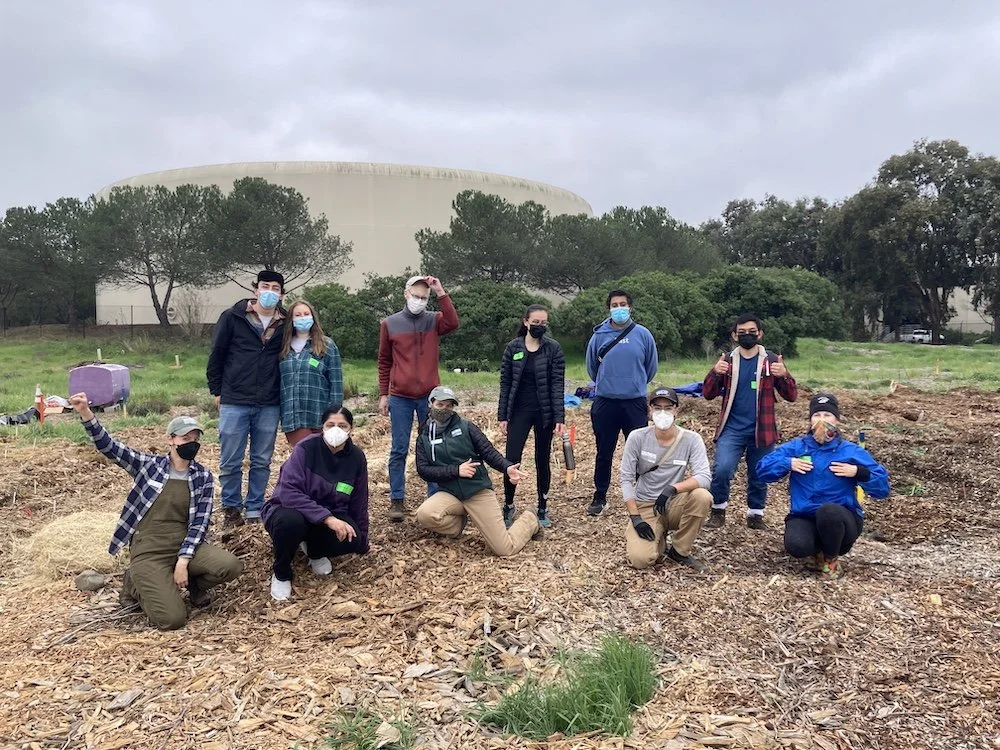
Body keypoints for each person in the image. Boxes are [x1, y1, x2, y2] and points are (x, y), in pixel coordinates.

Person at [68, 393, 243, 630]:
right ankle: (135, 583)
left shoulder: (202, 477)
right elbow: (109, 446)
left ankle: (193, 585)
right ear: (170, 440)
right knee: (172, 620)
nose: (191, 443)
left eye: (195, 438)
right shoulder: (148, 466)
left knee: (230, 566)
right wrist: (86, 413)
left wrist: (183, 561)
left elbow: (200, 524)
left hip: (183, 544)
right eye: (185, 438)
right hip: (149, 549)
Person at [756, 393, 890, 579]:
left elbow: (882, 488)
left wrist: (858, 472)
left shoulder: (850, 450)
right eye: (817, 415)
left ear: (837, 420)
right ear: (810, 420)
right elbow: (762, 471)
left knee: (829, 512)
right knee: (796, 546)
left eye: (827, 416)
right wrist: (788, 463)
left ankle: (831, 558)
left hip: (842, 519)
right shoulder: (798, 447)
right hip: (805, 514)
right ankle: (816, 552)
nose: (821, 420)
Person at [414, 386, 542, 556]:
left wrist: (506, 467)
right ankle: (458, 525)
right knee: (425, 515)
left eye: (449, 406)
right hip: (450, 493)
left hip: (477, 491)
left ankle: (530, 519)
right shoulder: (424, 436)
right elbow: (423, 470)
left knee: (504, 549)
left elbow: (488, 451)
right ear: (430, 404)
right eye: (440, 405)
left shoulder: (466, 427)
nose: (445, 409)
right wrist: (456, 471)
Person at [263, 405, 369, 600]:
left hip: (328, 513)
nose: (336, 430)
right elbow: (288, 491)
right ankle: (282, 571)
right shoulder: (306, 448)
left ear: (351, 429)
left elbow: (359, 501)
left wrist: (363, 542)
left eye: (343, 425)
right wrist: (328, 518)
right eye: (330, 424)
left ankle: (314, 549)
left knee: (353, 538)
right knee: (290, 524)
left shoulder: (356, 457)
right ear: (322, 427)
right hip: (290, 508)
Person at [207, 270, 287, 528]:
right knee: (230, 460)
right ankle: (231, 509)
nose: (270, 292)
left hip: (269, 401)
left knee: (262, 460)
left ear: (282, 294)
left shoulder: (285, 323)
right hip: (234, 399)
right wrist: (217, 390)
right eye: (265, 286)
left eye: (276, 288)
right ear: (255, 290)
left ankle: (254, 508)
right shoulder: (233, 317)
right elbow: (217, 355)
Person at [702, 314, 797, 530]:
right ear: (734, 335)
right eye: (742, 332)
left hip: (762, 430)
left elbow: (791, 395)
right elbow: (707, 393)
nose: (747, 335)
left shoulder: (771, 361)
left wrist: (783, 375)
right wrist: (715, 373)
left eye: (752, 331)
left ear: (760, 334)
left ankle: (755, 514)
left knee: (759, 472)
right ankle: (718, 510)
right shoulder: (727, 360)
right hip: (732, 428)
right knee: (722, 469)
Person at [378, 275, 459, 522]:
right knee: (399, 448)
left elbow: (453, 322)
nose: (419, 301)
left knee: (432, 445)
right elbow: (384, 361)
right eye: (416, 296)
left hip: (429, 397)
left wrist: (440, 291)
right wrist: (384, 394)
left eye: (424, 298)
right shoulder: (389, 324)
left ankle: (434, 496)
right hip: (400, 397)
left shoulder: (433, 321)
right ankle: (397, 500)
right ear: (406, 294)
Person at [620, 388, 713, 572]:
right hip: (645, 505)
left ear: (676, 410)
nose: (663, 413)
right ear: (650, 410)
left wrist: (673, 488)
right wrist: (636, 517)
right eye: (657, 408)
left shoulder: (691, 439)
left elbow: (704, 476)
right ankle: (658, 535)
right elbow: (626, 478)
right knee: (641, 560)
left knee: (702, 496)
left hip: (672, 502)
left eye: (668, 408)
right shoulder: (637, 437)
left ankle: (680, 550)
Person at [584, 289, 658, 517]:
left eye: (623, 304)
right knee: (603, 452)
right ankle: (600, 496)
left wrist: (634, 384)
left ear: (630, 307)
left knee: (638, 452)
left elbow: (650, 366)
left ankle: (642, 496)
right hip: (606, 403)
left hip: (634, 403)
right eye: (614, 305)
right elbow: (592, 368)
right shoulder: (599, 335)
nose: (619, 308)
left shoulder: (643, 334)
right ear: (609, 309)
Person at [498, 304, 566, 528]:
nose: (539, 326)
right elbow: (505, 383)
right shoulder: (513, 348)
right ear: (526, 322)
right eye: (535, 322)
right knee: (512, 459)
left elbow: (557, 385)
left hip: (544, 413)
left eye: (543, 323)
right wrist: (503, 416)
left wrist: (559, 417)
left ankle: (543, 506)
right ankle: (508, 504)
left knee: (542, 459)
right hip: (519, 412)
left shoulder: (553, 349)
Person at [278, 300, 344, 446]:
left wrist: (335, 415)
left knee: (324, 461)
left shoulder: (327, 345)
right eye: (298, 315)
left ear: (313, 317)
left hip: (320, 415)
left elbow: (336, 384)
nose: (302, 318)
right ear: (291, 320)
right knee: (304, 459)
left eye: (306, 314)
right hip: (294, 417)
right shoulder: (282, 348)